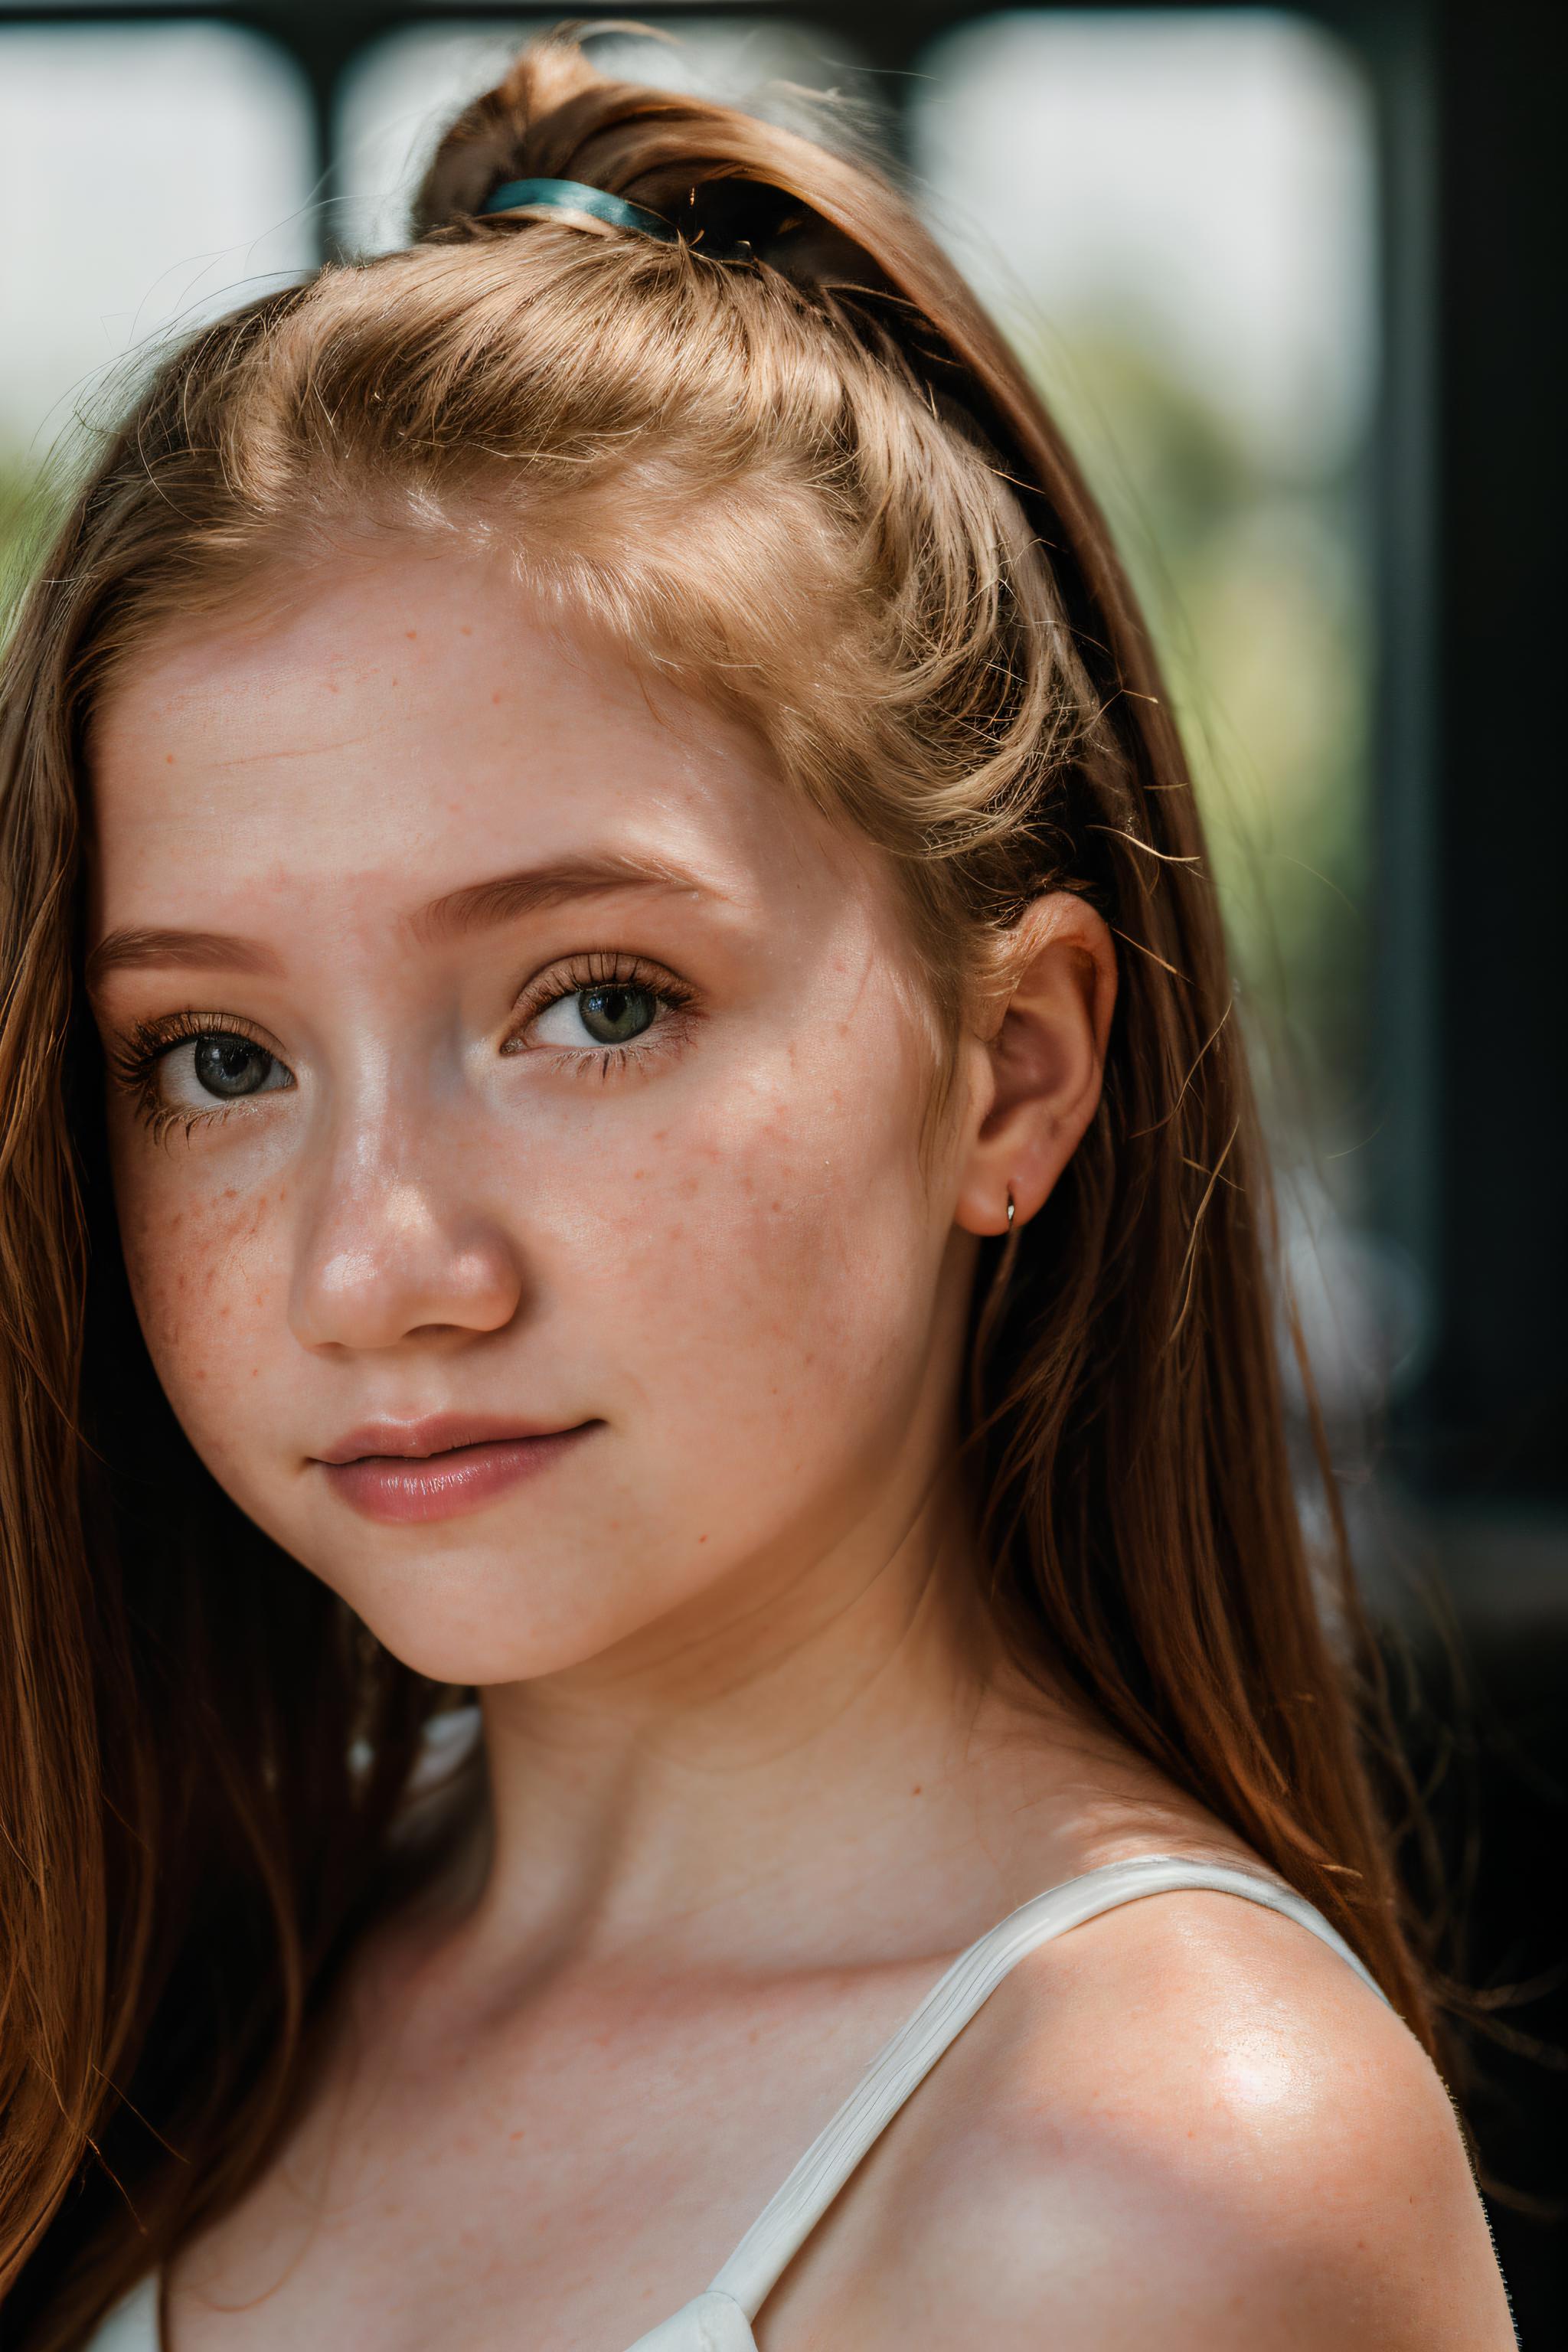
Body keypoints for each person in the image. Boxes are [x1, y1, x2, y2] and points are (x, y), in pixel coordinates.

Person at [0, 36, 1514, 2352]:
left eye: (593, 1004)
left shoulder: (1149, 2185)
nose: (379, 1263)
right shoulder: (191, 1982)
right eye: (217, 1058)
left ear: (1012, 1073)